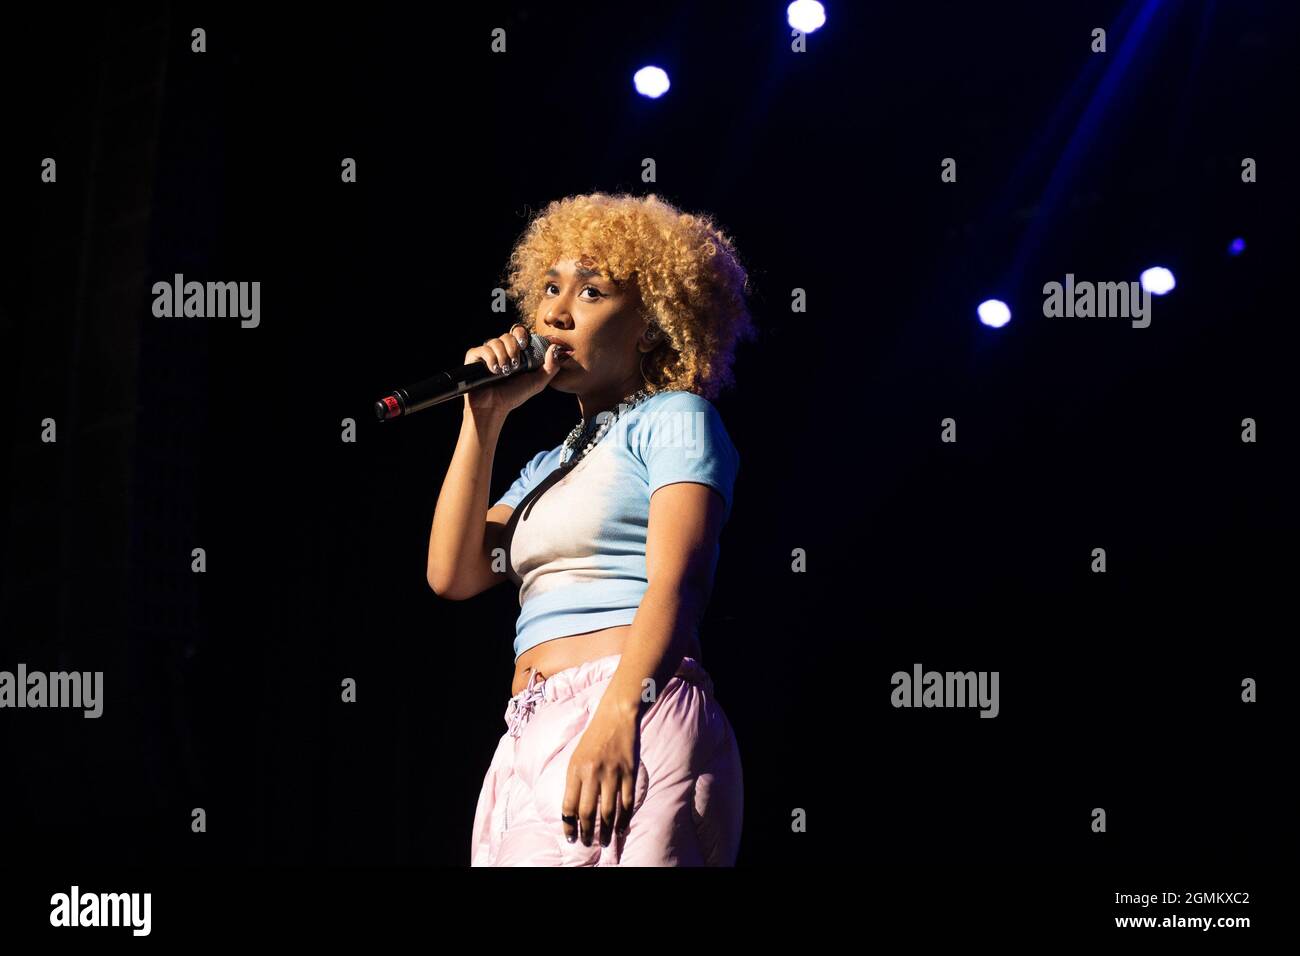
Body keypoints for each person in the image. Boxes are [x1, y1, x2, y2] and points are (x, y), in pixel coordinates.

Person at [427, 192, 756, 865]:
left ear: (652, 324)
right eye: (550, 287)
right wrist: (482, 421)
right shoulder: (548, 467)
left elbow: (679, 582)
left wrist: (617, 716)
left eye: (592, 291)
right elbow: (454, 574)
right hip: (530, 730)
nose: (555, 312)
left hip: (628, 706)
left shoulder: (675, 418)